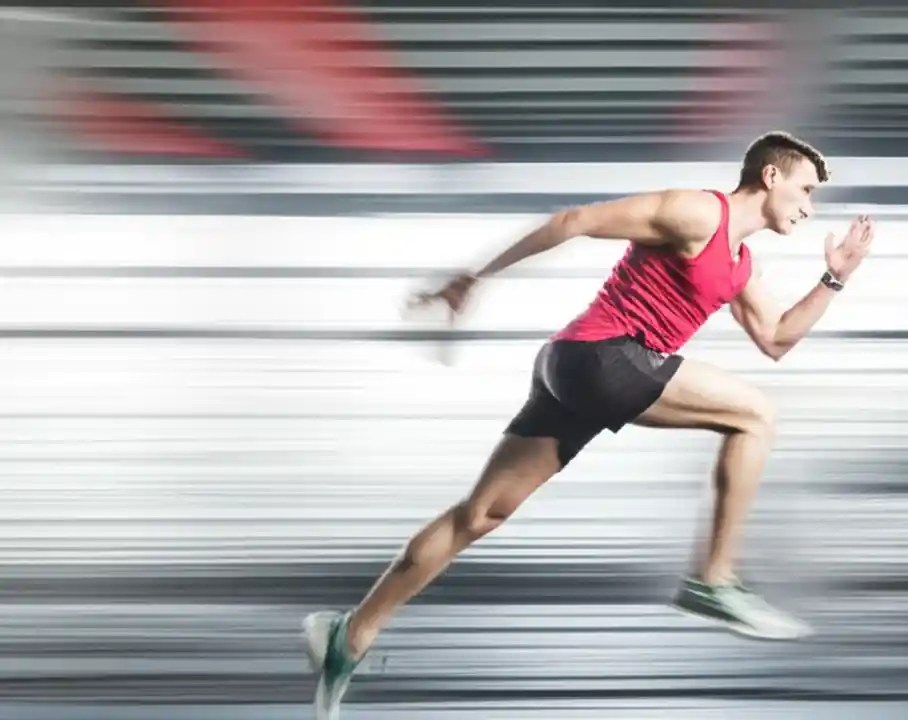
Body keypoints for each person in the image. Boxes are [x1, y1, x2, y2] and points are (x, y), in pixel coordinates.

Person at [303, 130, 875, 718]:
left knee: (480, 514)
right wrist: (475, 277)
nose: (809, 207)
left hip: (573, 369)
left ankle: (349, 635)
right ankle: (715, 580)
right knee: (756, 416)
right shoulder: (698, 210)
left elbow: (776, 338)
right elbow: (577, 219)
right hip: (601, 357)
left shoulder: (740, 264)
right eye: (805, 189)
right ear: (772, 177)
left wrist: (835, 278)